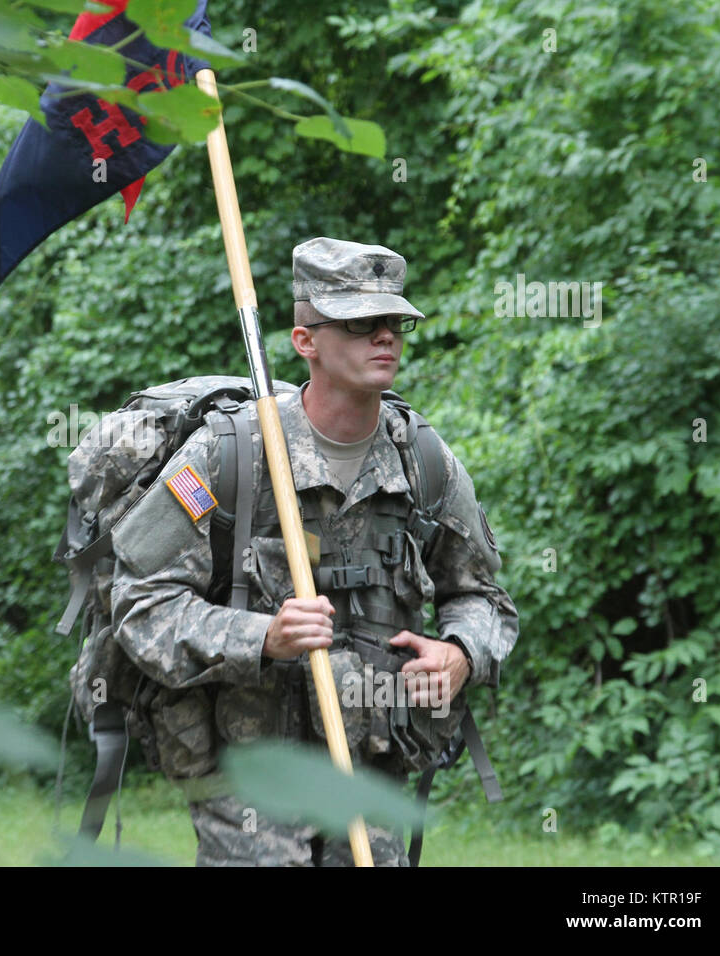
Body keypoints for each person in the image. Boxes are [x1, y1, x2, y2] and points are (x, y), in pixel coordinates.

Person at [109, 237, 519, 866]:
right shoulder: (233, 457)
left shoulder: (423, 463)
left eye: (394, 323)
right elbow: (141, 604)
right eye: (360, 323)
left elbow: (484, 598)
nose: (384, 337)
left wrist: (461, 651)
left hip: (374, 771)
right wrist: (260, 637)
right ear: (306, 342)